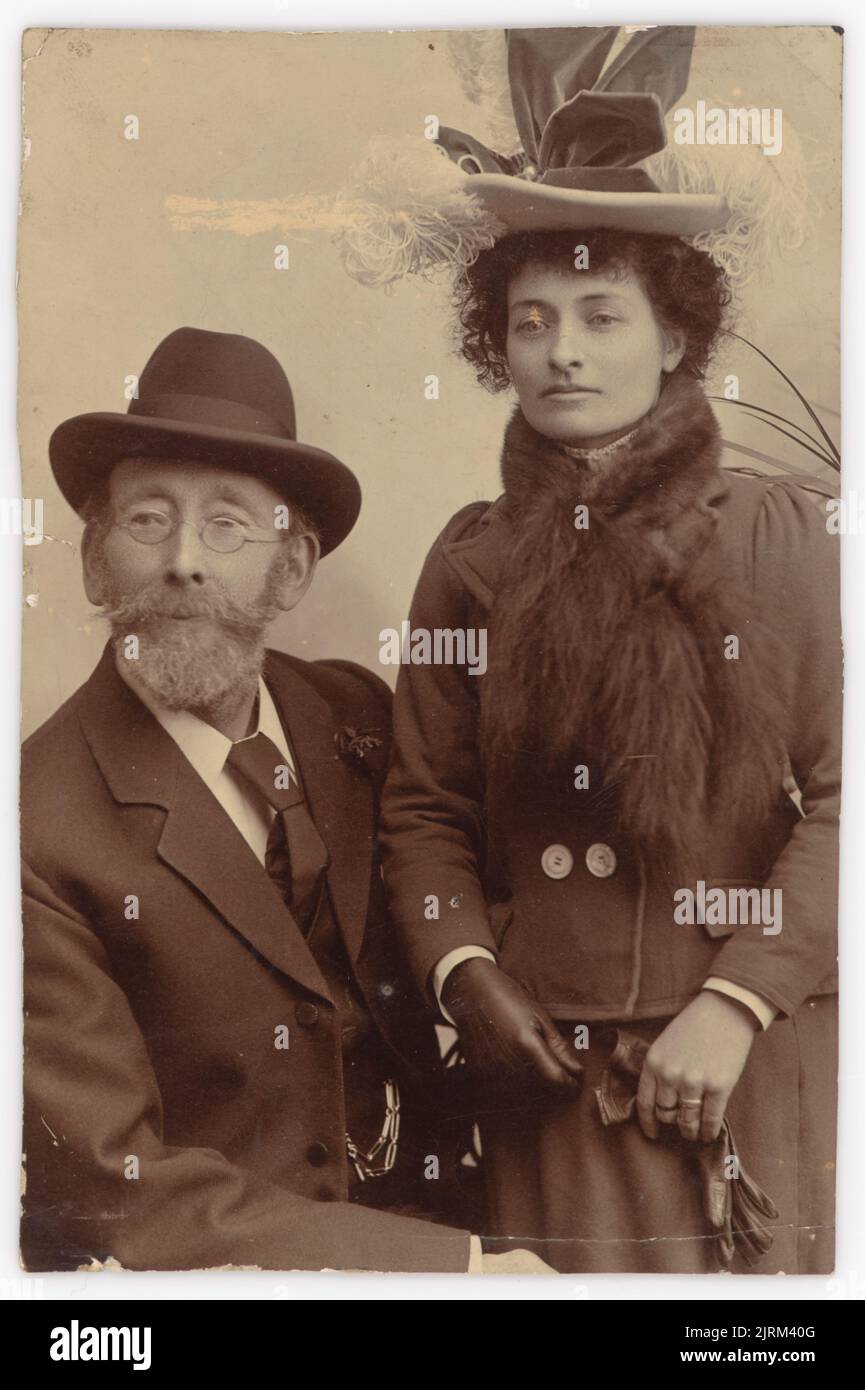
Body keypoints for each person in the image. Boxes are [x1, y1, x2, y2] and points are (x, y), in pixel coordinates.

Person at [346, 29, 840, 1273]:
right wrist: (465, 972)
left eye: (600, 315)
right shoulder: (471, 562)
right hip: (546, 1067)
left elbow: (851, 796)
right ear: (495, 346)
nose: (562, 349)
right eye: (531, 320)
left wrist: (735, 1001)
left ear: (674, 338)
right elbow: (423, 809)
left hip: (744, 1055)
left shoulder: (784, 538)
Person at [21, 325, 545, 1274]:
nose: (184, 559)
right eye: (146, 520)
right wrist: (451, 1272)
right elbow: (115, 1190)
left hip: (453, 1209)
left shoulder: (351, 714)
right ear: (96, 559)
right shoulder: (33, 824)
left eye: (226, 525)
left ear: (292, 569)